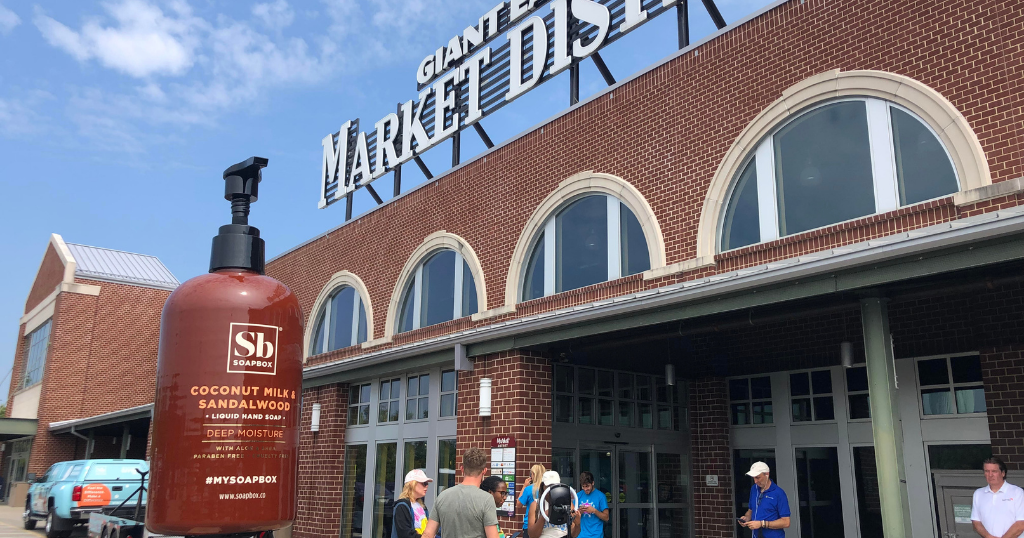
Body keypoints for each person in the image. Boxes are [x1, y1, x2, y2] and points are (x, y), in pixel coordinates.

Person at [422, 448, 500, 538]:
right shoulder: (487, 499)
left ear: (462, 469)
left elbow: (428, 534)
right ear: (484, 471)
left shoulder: (442, 496)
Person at [971, 456, 1024, 538]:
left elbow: (1021, 524)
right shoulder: (978, 494)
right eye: (987, 471)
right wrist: (988, 536)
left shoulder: (1017, 492)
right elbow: (976, 522)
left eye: (994, 471)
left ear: (1003, 473)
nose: (990, 475)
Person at [737, 462, 790, 537]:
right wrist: (746, 518)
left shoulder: (779, 493)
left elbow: (786, 522)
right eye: (754, 478)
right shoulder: (754, 489)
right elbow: (751, 510)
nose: (755, 481)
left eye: (758, 477)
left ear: (767, 474)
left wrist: (762, 524)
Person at [527, 471, 581, 538]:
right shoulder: (535, 505)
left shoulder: (567, 504)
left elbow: (573, 535)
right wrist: (544, 515)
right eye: (549, 486)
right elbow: (532, 535)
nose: (551, 490)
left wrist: (577, 524)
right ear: (543, 487)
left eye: (554, 486)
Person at [393, 469, 432, 538]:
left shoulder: (422, 506)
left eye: (427, 483)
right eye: (424, 483)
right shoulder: (402, 506)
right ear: (412, 484)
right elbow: (404, 533)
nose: (427, 486)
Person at [575, 472, 608, 538]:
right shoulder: (578, 496)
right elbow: (571, 516)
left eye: (587, 486)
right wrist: (578, 512)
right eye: (583, 486)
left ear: (593, 483)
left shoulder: (601, 496)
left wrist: (594, 511)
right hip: (580, 535)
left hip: (596, 535)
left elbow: (606, 517)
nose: (585, 489)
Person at [518, 464, 546, 533]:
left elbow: (519, 504)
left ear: (533, 474)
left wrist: (524, 486)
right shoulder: (547, 488)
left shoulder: (529, 489)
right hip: (545, 523)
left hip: (530, 523)